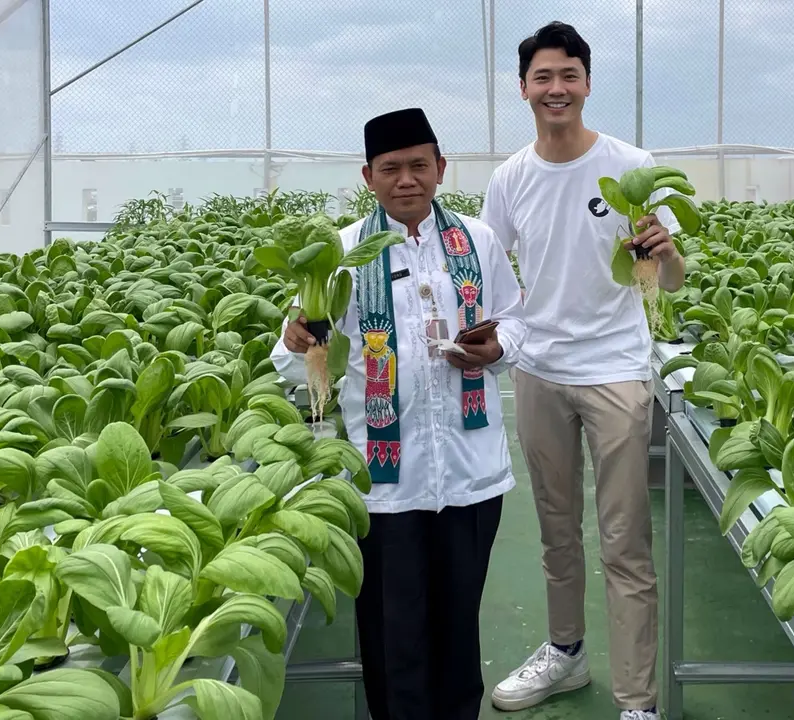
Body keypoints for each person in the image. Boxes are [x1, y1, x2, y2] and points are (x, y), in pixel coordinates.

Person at [270, 107, 527, 720]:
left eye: (419, 165)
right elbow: (292, 361)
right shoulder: (339, 255)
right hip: (382, 480)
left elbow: (517, 320)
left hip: (469, 474)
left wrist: (498, 349)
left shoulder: (478, 240)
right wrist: (296, 341)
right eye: (391, 168)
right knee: (392, 633)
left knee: (459, 623)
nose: (406, 179)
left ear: (441, 167)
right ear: (368, 176)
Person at [479, 21, 685, 720]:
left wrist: (663, 249)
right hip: (538, 369)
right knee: (556, 528)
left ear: (587, 83)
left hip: (615, 372)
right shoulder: (511, 178)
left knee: (625, 540)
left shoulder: (631, 167)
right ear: (524, 89)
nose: (556, 89)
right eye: (543, 78)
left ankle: (637, 702)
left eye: (568, 75)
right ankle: (564, 653)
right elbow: (484, 272)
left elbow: (676, 279)